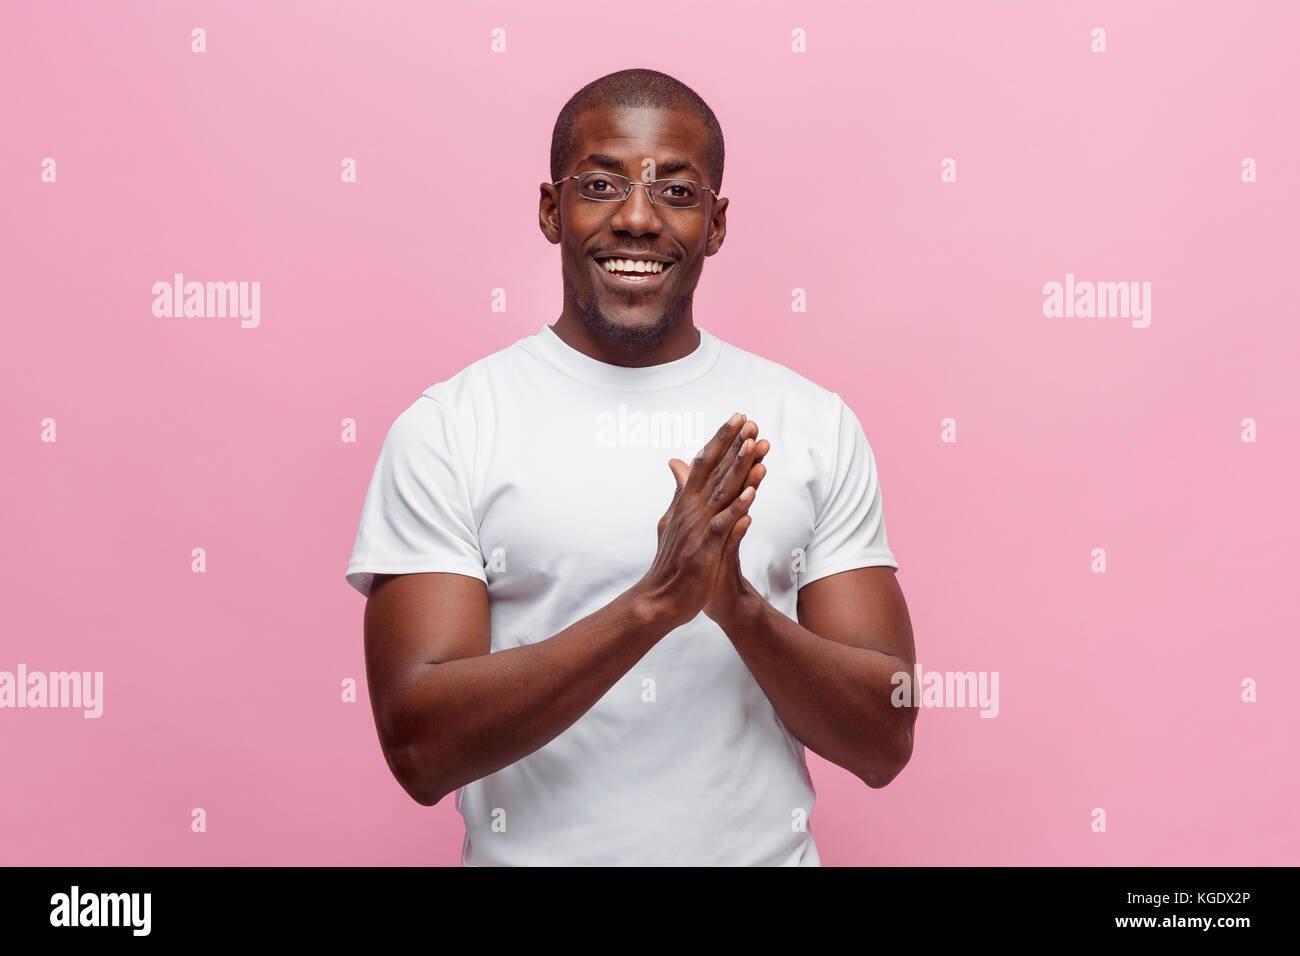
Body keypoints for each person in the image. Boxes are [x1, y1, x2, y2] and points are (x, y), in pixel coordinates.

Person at [345, 67, 916, 866]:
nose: (638, 218)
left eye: (678, 193)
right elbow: (419, 748)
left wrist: (738, 608)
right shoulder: (450, 428)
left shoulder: (813, 423)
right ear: (552, 209)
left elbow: (885, 739)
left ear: (716, 224)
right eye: (603, 183)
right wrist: (654, 603)